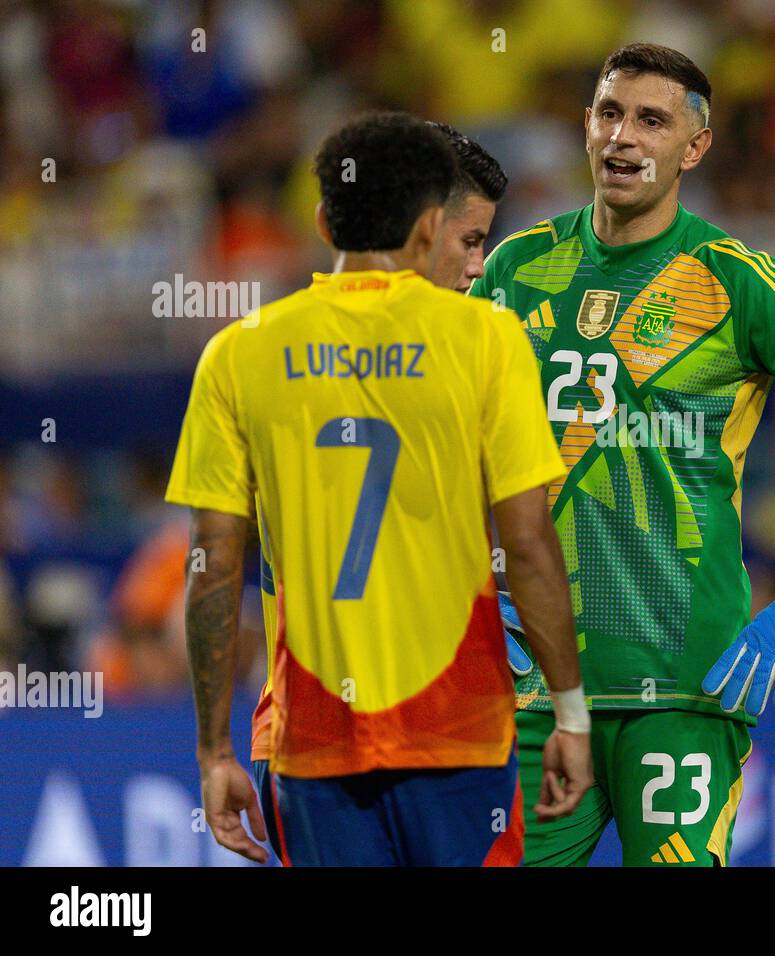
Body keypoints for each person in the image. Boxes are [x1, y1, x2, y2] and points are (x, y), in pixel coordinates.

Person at [469, 42, 775, 866]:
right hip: (533, 686)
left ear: (695, 147)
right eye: (609, 114)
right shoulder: (514, 268)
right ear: (584, 127)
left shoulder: (737, 281)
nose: (624, 138)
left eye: (651, 120)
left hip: (683, 686)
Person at [167, 111, 591, 866]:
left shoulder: (237, 354)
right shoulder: (487, 341)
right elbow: (527, 542)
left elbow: (213, 566)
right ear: (429, 228)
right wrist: (570, 714)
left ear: (325, 219)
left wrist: (211, 751)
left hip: (311, 743)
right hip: (459, 735)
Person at [243, 120, 516, 864]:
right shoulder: (476, 357)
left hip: (309, 730)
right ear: (422, 230)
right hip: (436, 734)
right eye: (467, 241)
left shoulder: (269, 350)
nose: (476, 266)